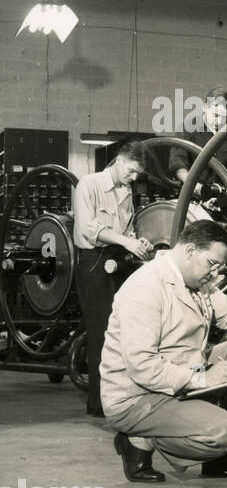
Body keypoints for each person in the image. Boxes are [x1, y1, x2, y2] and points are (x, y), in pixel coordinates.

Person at [100, 220, 227, 483]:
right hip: (139, 397)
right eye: (212, 263)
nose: (214, 273)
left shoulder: (197, 282)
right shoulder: (145, 287)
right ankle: (139, 441)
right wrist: (204, 379)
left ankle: (218, 457)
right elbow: (142, 366)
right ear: (190, 251)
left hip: (181, 382)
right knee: (225, 432)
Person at [72, 140, 154, 417]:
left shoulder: (126, 190)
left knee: (121, 331)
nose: (133, 178)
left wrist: (136, 241)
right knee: (100, 333)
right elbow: (87, 228)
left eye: (137, 175)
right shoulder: (89, 184)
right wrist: (124, 241)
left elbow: (127, 228)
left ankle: (119, 399)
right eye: (131, 171)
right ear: (119, 160)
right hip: (94, 262)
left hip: (118, 260)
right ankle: (98, 403)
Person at [168, 89, 227, 186]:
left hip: (221, 191)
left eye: (224, 117)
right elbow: (178, 163)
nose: (220, 121)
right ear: (204, 107)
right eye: (216, 115)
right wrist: (192, 185)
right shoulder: (187, 128)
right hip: (191, 193)